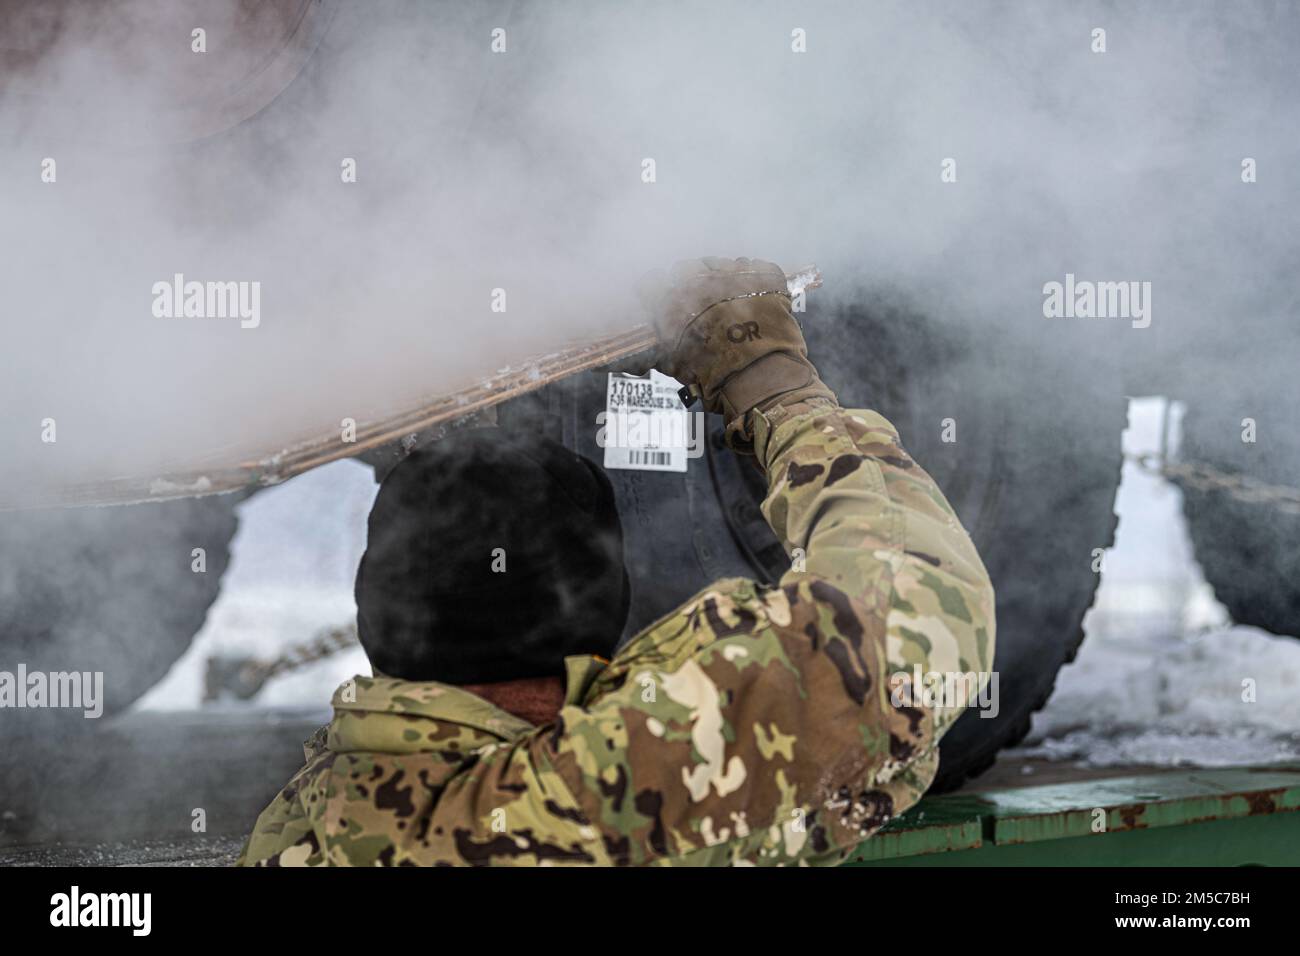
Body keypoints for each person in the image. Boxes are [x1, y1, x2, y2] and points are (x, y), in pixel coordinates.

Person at [237, 257, 995, 866]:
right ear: (607, 615)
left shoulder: (308, 820)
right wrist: (769, 382)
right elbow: (915, 608)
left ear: (376, 618)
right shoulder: (585, 804)